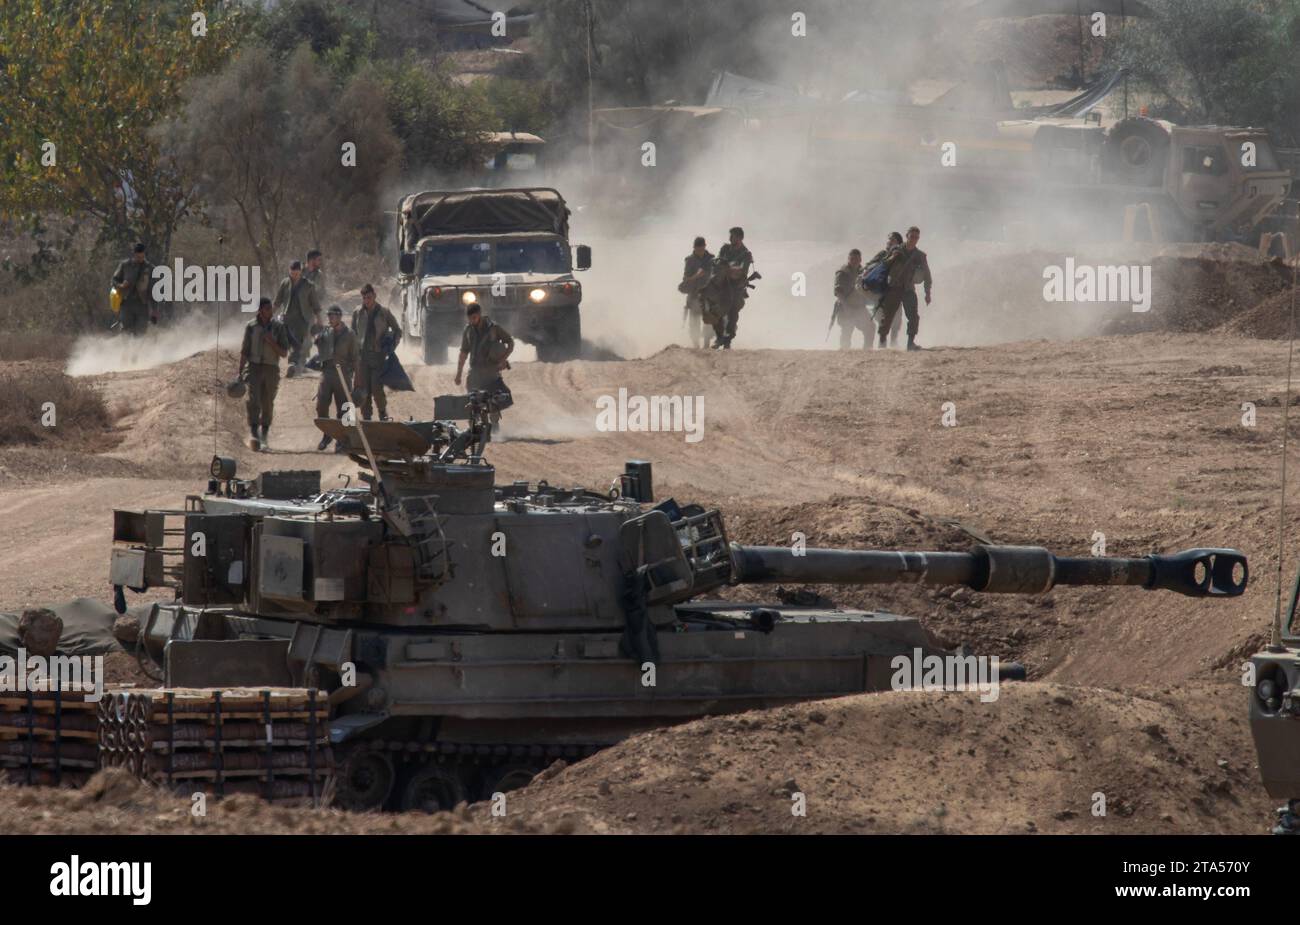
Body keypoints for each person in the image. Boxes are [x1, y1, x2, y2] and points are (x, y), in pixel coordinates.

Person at [238, 297, 291, 452]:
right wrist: (239, 372)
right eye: (267, 309)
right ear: (260, 310)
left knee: (267, 402)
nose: (270, 311)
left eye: (270, 309)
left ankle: (264, 435)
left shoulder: (278, 327)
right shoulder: (251, 327)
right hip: (254, 367)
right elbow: (244, 351)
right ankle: (254, 433)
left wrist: (271, 342)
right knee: (253, 399)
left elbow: (284, 352)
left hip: (271, 368)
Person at [351, 283, 402, 421]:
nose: (367, 300)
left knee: (376, 388)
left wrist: (391, 347)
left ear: (374, 296)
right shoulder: (357, 313)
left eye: (369, 297)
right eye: (364, 298)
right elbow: (352, 334)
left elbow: (397, 330)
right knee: (363, 390)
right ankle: (366, 416)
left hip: (378, 356)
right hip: (362, 358)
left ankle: (382, 413)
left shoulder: (384, 312)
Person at [876, 226, 932, 351]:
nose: (913, 239)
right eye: (911, 236)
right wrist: (892, 257)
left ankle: (910, 343)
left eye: (916, 237)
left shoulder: (920, 256)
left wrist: (927, 293)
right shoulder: (896, 250)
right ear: (906, 236)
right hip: (894, 288)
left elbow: (927, 276)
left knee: (913, 316)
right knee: (888, 316)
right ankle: (882, 342)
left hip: (908, 289)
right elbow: (884, 264)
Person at [314, 304, 358, 451]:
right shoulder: (326, 332)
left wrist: (355, 377)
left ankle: (341, 439)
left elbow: (355, 358)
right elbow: (318, 345)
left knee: (344, 408)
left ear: (339, 317)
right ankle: (327, 434)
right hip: (327, 372)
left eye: (333, 316)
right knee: (321, 406)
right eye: (329, 316)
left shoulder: (350, 334)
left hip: (343, 374)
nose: (330, 319)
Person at [273, 259, 322, 377]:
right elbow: (277, 301)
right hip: (286, 318)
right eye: (292, 272)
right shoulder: (285, 283)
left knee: (297, 342)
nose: (294, 275)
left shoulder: (309, 285)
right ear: (289, 271)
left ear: (301, 271)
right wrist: (268, 314)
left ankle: (292, 364)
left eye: (297, 272)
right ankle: (283, 364)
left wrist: (319, 319)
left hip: (302, 320)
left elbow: (315, 305)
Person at [455, 301, 514, 394]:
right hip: (475, 373)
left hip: (492, 372)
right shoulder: (468, 331)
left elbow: (510, 342)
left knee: (500, 399)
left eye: (474, 318)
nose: (472, 321)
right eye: (469, 319)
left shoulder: (493, 328)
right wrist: (459, 374)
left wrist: (503, 359)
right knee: (473, 401)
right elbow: (463, 353)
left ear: (479, 315)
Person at [712, 226, 753, 349]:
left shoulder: (746, 254)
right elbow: (717, 262)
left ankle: (728, 339)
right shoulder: (725, 249)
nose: (730, 238)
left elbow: (743, 270)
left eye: (733, 236)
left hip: (737, 285)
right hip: (723, 283)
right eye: (730, 236)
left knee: (733, 312)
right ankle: (719, 338)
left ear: (740, 238)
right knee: (716, 308)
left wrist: (729, 268)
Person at [868, 232, 904, 346]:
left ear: (898, 242)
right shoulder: (882, 254)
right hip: (881, 291)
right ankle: (882, 343)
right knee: (881, 319)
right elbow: (869, 265)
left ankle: (893, 343)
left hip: (895, 291)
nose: (889, 241)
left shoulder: (902, 255)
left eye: (892, 240)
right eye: (888, 239)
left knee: (896, 320)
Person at [111, 243, 156, 335]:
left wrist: (154, 310)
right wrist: (121, 285)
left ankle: (137, 349)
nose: (140, 258)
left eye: (142, 256)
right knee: (126, 332)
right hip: (126, 304)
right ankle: (126, 349)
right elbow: (114, 280)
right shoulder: (125, 265)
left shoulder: (150, 268)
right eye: (138, 256)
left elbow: (154, 291)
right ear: (134, 254)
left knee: (141, 332)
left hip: (142, 305)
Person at [679, 236, 714, 349]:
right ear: (694, 248)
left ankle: (706, 345)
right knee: (694, 322)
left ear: (704, 246)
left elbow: (714, 274)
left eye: (701, 247)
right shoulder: (690, 260)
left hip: (708, 294)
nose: (699, 250)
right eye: (697, 248)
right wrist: (695, 277)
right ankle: (696, 346)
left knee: (708, 321)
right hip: (694, 294)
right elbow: (686, 277)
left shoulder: (711, 259)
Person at [833, 248, 871, 349]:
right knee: (847, 331)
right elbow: (838, 292)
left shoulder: (862, 272)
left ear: (860, 260)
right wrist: (846, 308)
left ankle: (867, 351)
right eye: (852, 258)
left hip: (859, 307)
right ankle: (844, 352)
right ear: (849, 259)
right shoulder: (842, 273)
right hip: (846, 307)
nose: (855, 261)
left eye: (857, 259)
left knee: (870, 328)